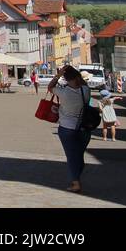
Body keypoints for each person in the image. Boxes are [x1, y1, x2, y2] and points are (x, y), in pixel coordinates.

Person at [48, 65, 94, 193]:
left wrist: (58, 75)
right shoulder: (85, 90)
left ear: (66, 79)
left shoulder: (64, 92)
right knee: (78, 156)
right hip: (84, 128)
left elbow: (50, 87)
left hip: (67, 129)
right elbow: (82, 84)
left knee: (72, 156)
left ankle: (75, 183)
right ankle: (76, 177)